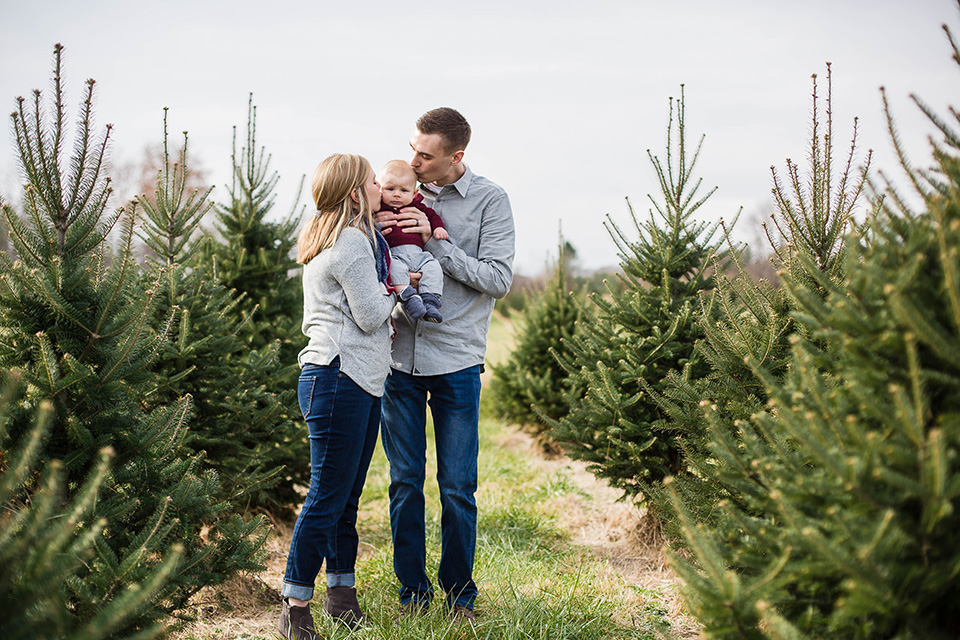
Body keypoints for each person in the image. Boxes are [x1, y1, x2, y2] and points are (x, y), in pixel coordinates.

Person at [378, 107, 516, 621]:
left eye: (425, 155)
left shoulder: (490, 201)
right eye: (412, 149)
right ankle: (412, 592)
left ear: (456, 157)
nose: (413, 161)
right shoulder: (395, 189)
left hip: (457, 359)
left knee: (458, 486)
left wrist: (438, 245)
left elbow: (499, 280)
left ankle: (460, 594)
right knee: (404, 481)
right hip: (398, 361)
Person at [278, 154, 397, 640]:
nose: (378, 187)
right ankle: (294, 605)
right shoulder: (349, 242)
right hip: (337, 378)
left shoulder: (348, 237)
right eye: (372, 181)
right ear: (353, 194)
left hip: (358, 379)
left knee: (345, 497)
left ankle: (342, 597)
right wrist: (401, 289)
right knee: (327, 497)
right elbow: (371, 316)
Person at [377, 159, 448, 322]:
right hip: (395, 255)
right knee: (393, 268)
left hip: (419, 254)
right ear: (380, 189)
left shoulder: (417, 207)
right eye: (390, 189)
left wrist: (438, 228)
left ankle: (430, 300)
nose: (396, 194)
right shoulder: (378, 208)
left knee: (433, 267)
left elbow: (432, 216)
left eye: (403, 190)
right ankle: (408, 298)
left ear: (414, 194)